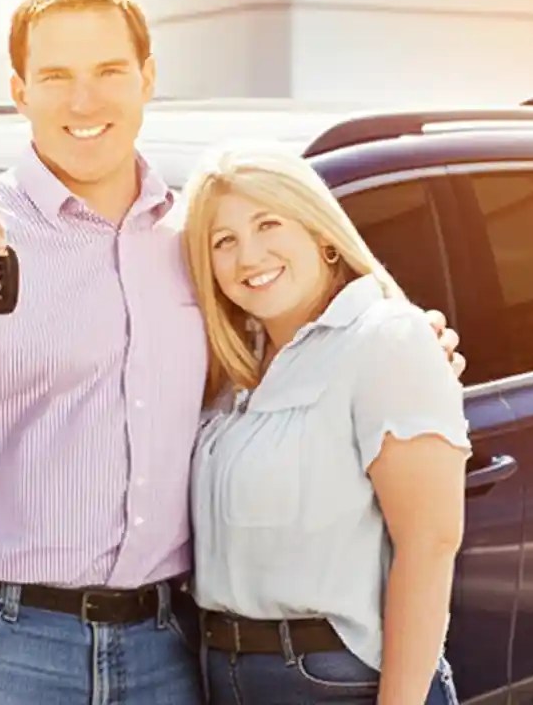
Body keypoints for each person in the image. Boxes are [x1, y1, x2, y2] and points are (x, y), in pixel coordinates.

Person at [0, 0, 463, 702]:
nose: (83, 102)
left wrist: (406, 341)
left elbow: (279, 355)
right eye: (56, 77)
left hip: (166, 648)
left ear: (148, 77)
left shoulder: (197, 240)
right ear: (19, 91)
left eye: (109, 72)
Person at [180, 145, 470, 704]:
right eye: (224, 241)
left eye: (268, 224)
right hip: (223, 675)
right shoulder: (231, 371)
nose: (249, 256)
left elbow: (430, 542)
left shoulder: (386, 338)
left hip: (338, 682)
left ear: (323, 236)